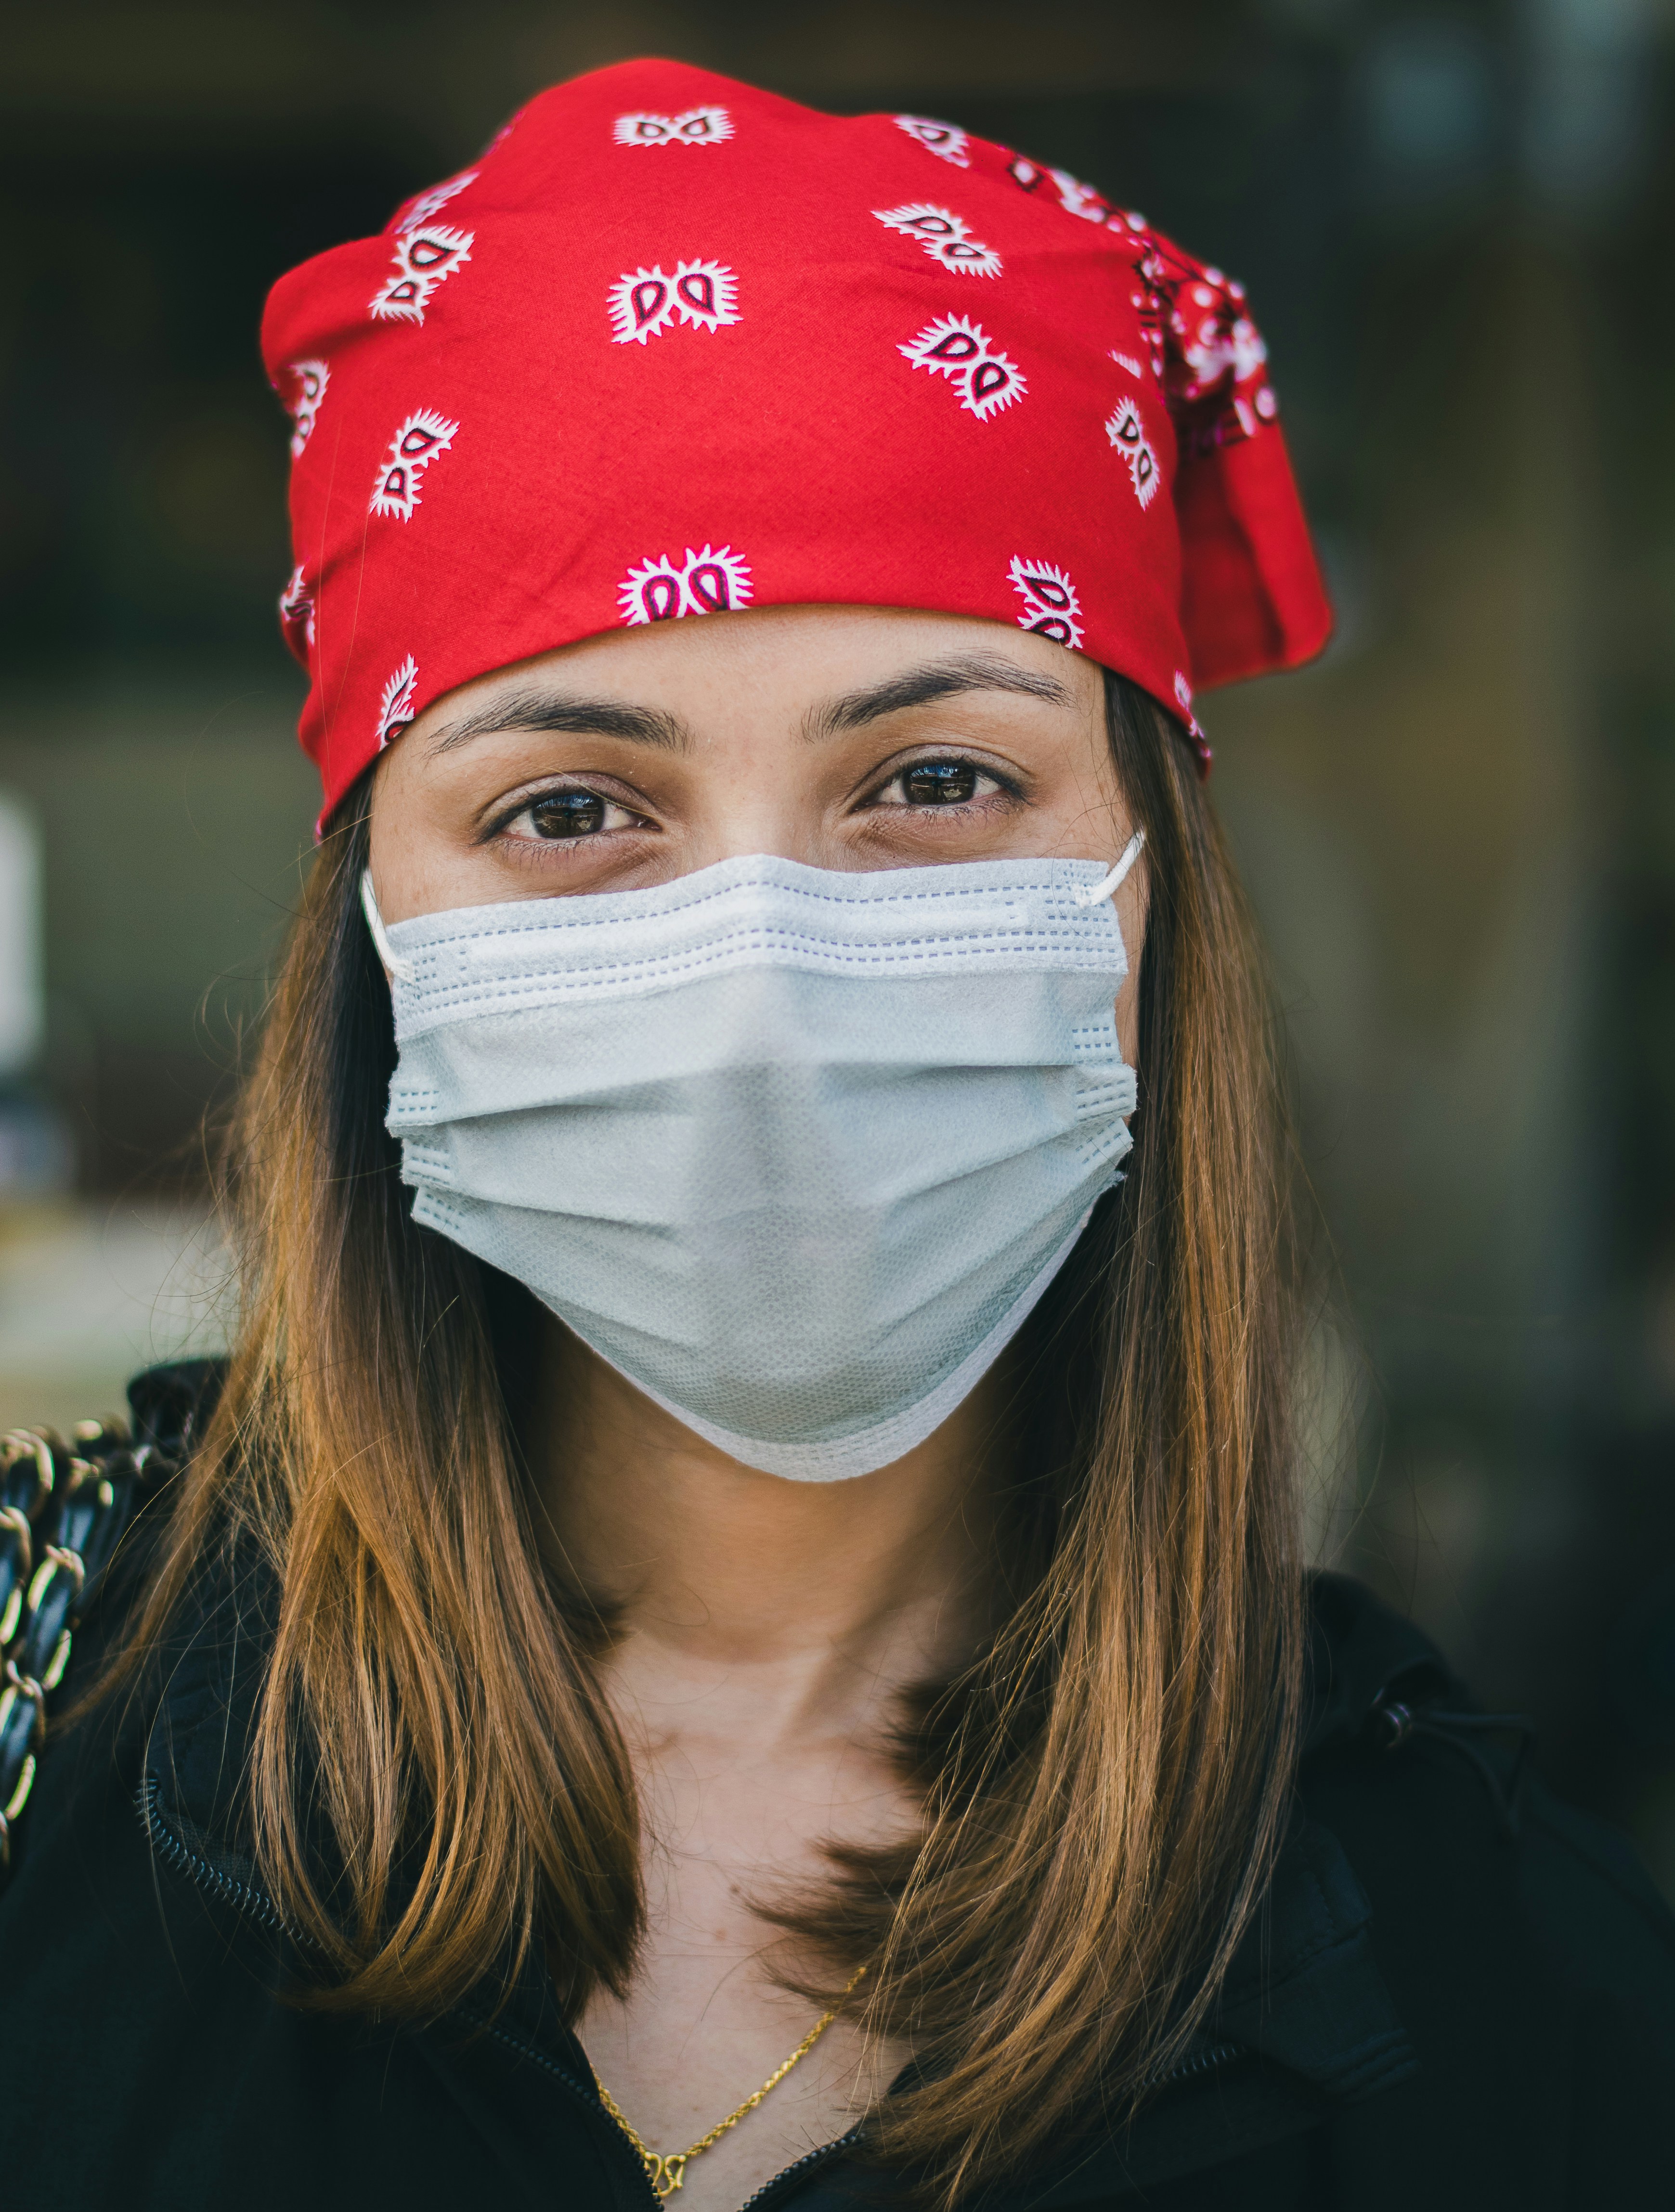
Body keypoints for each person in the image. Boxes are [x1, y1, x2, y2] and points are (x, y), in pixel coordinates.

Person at [0, 57, 1669, 2212]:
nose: (766, 970)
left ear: (1154, 894)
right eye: (574, 809)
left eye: (937, 781)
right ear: (374, 939)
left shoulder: (1514, 2004)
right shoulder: (53, 1750)